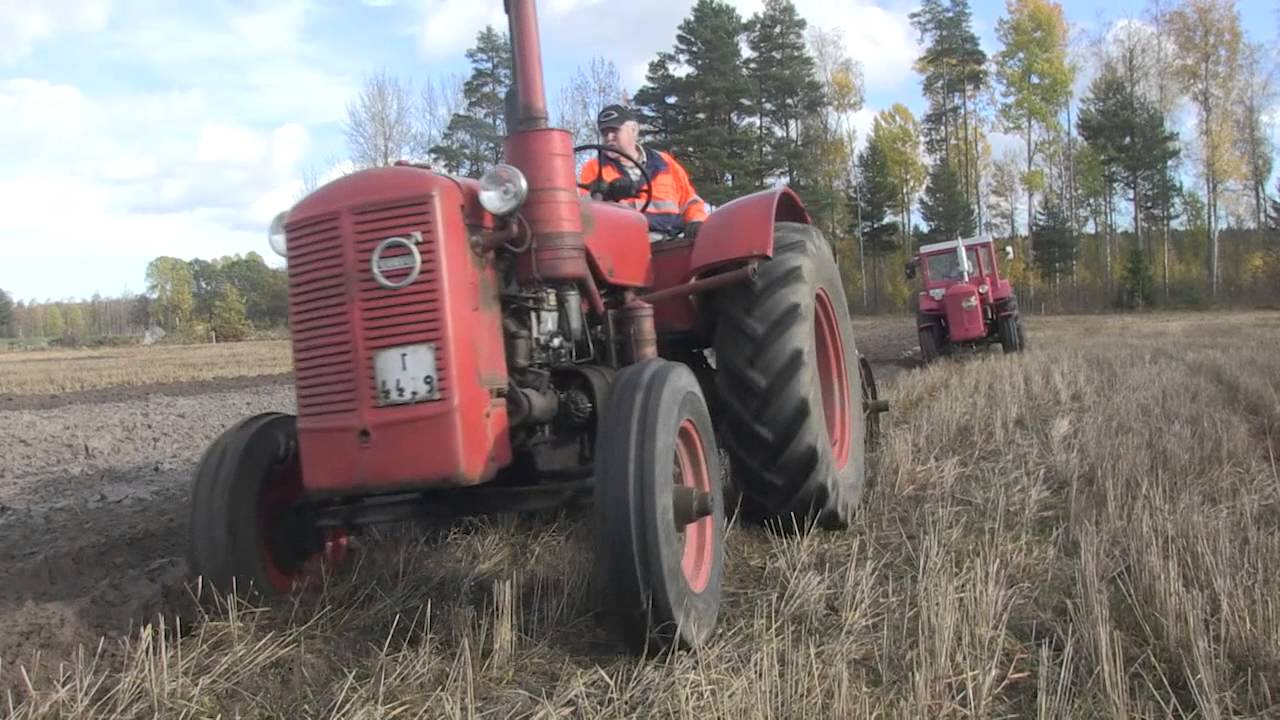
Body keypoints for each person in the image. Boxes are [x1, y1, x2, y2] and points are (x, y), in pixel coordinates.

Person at [578, 104, 708, 240]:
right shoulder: (594, 168)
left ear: (633, 130)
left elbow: (690, 201)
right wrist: (608, 196)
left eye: (614, 130)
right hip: (624, 244)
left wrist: (696, 220)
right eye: (604, 133)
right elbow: (586, 211)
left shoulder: (665, 163)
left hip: (671, 243)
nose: (609, 137)